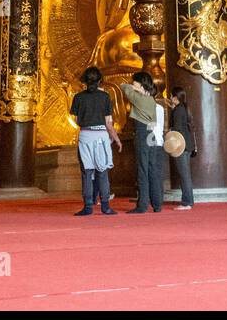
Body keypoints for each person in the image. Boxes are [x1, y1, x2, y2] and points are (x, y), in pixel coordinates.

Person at [70, 66, 122, 216]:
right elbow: (108, 123)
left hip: (85, 135)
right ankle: (105, 206)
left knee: (87, 172)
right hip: (100, 136)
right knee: (102, 171)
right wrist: (116, 138)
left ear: (84, 81)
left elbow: (76, 120)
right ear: (100, 80)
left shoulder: (78, 97)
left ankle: (87, 206)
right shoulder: (105, 97)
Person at [120, 71, 163, 213]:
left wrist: (137, 89)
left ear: (141, 84)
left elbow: (123, 86)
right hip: (151, 134)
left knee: (142, 169)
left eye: (135, 82)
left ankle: (142, 205)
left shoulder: (138, 98)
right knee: (152, 169)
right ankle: (157, 204)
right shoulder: (151, 99)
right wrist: (142, 89)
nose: (133, 84)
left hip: (142, 133)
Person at [169, 86, 197, 209]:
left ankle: (187, 202)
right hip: (188, 145)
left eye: (171, 96)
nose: (170, 98)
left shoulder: (177, 111)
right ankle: (188, 200)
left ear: (175, 98)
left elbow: (176, 129)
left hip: (181, 145)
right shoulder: (185, 109)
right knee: (186, 174)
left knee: (184, 174)